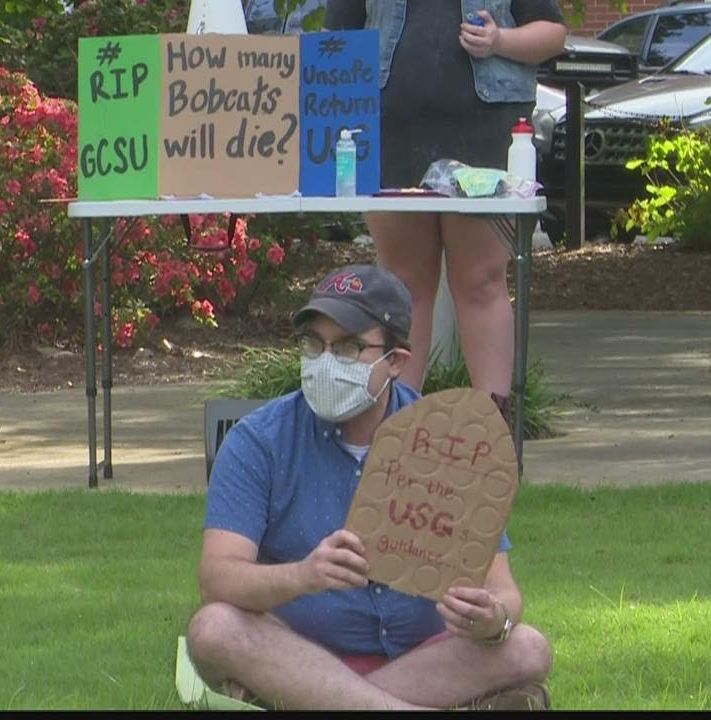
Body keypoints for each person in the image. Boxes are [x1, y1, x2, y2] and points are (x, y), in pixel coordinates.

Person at [185, 264, 552, 711]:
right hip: (299, 648)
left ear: (396, 361)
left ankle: (314, 700)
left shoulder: (450, 441)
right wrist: (302, 576)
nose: (324, 361)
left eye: (347, 348)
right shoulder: (258, 441)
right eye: (314, 344)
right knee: (214, 628)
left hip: (420, 657)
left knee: (529, 647)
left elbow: (504, 591)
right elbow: (218, 579)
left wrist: (494, 619)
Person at [322, 1, 566, 421]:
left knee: (481, 281)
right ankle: (397, 429)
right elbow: (337, 43)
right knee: (402, 284)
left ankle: (492, 429)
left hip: (485, 134)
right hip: (387, 134)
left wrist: (500, 40)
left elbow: (552, 33)